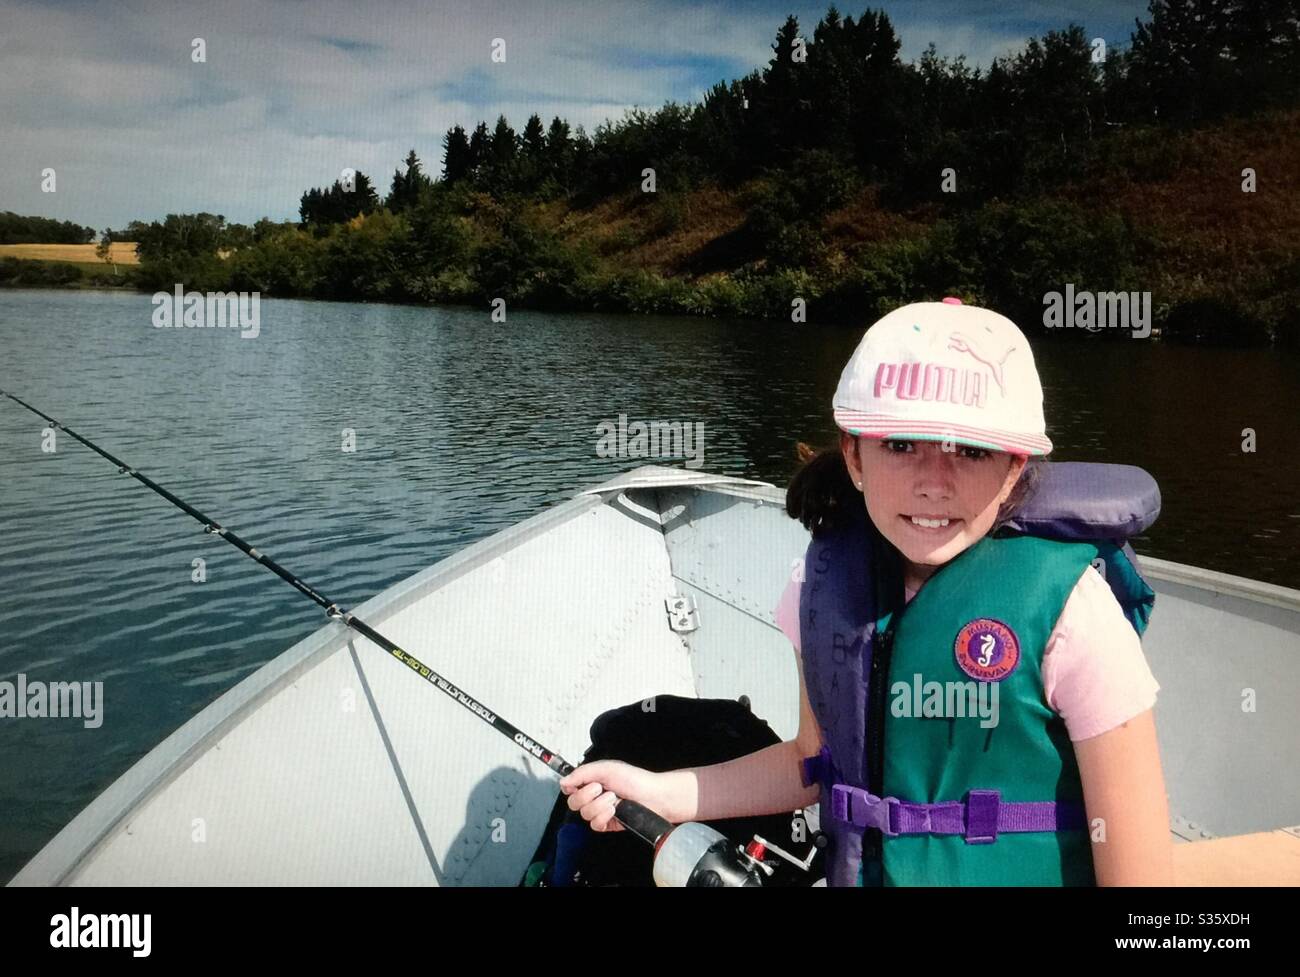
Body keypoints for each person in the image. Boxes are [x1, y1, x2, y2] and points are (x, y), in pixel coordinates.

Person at [560, 299, 1173, 886]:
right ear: (854, 456)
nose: (934, 484)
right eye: (901, 446)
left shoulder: (1074, 612)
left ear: (1014, 468)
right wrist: (657, 791)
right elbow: (810, 763)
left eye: (971, 451)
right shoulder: (817, 587)